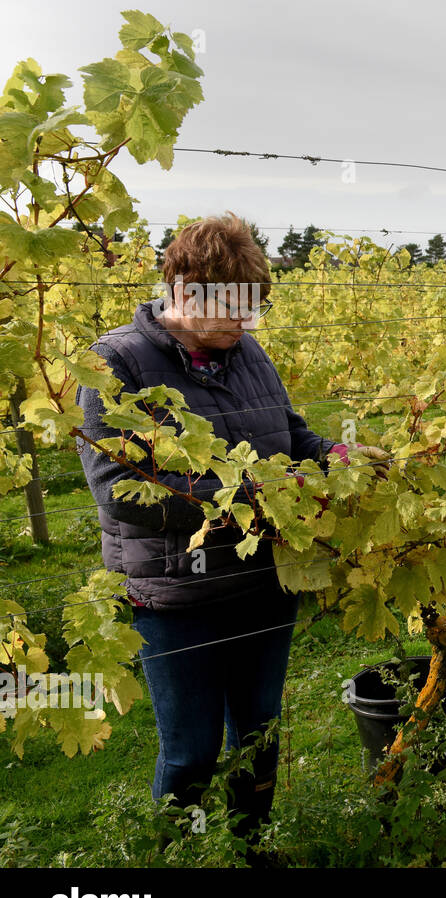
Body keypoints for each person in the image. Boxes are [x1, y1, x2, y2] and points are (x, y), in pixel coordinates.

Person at [75, 213, 387, 860]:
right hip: (176, 597)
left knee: (259, 733)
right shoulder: (115, 364)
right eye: (232, 309)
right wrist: (262, 498)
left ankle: (254, 848)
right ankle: (173, 855)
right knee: (191, 751)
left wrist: (338, 455)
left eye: (252, 310)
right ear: (184, 290)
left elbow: (288, 433)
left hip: (261, 581)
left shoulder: (246, 351)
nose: (245, 324)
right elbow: (123, 489)